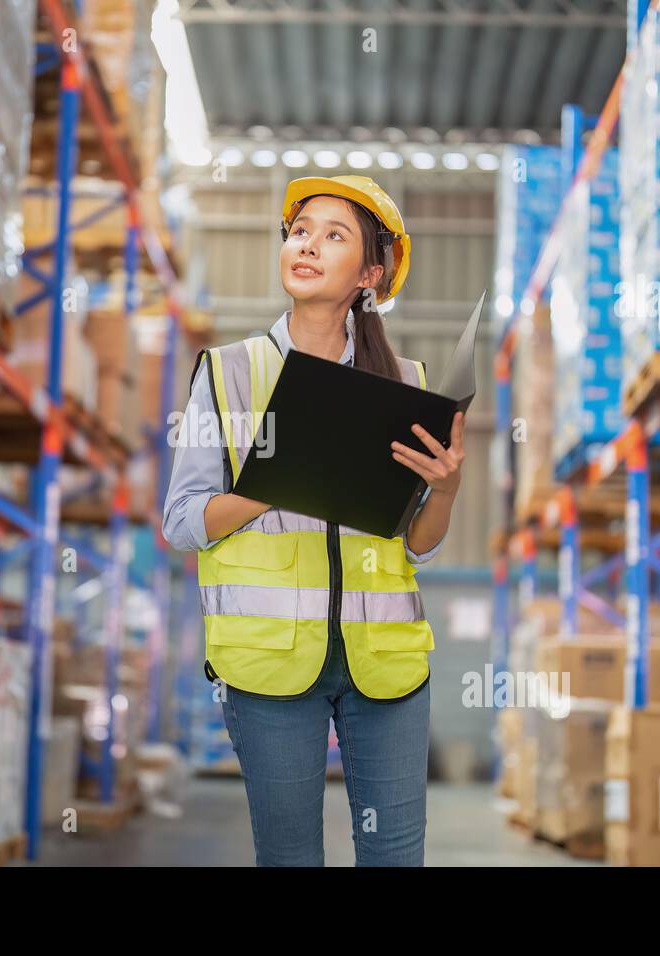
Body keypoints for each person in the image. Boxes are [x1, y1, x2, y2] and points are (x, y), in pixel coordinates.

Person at [163, 175, 466, 866]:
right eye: (300, 230)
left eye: (334, 235)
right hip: (268, 665)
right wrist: (279, 481)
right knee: (291, 857)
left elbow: (413, 543)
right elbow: (181, 522)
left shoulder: (408, 383)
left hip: (384, 665)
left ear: (369, 272)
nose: (307, 244)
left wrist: (445, 491)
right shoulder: (229, 373)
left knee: (394, 857)